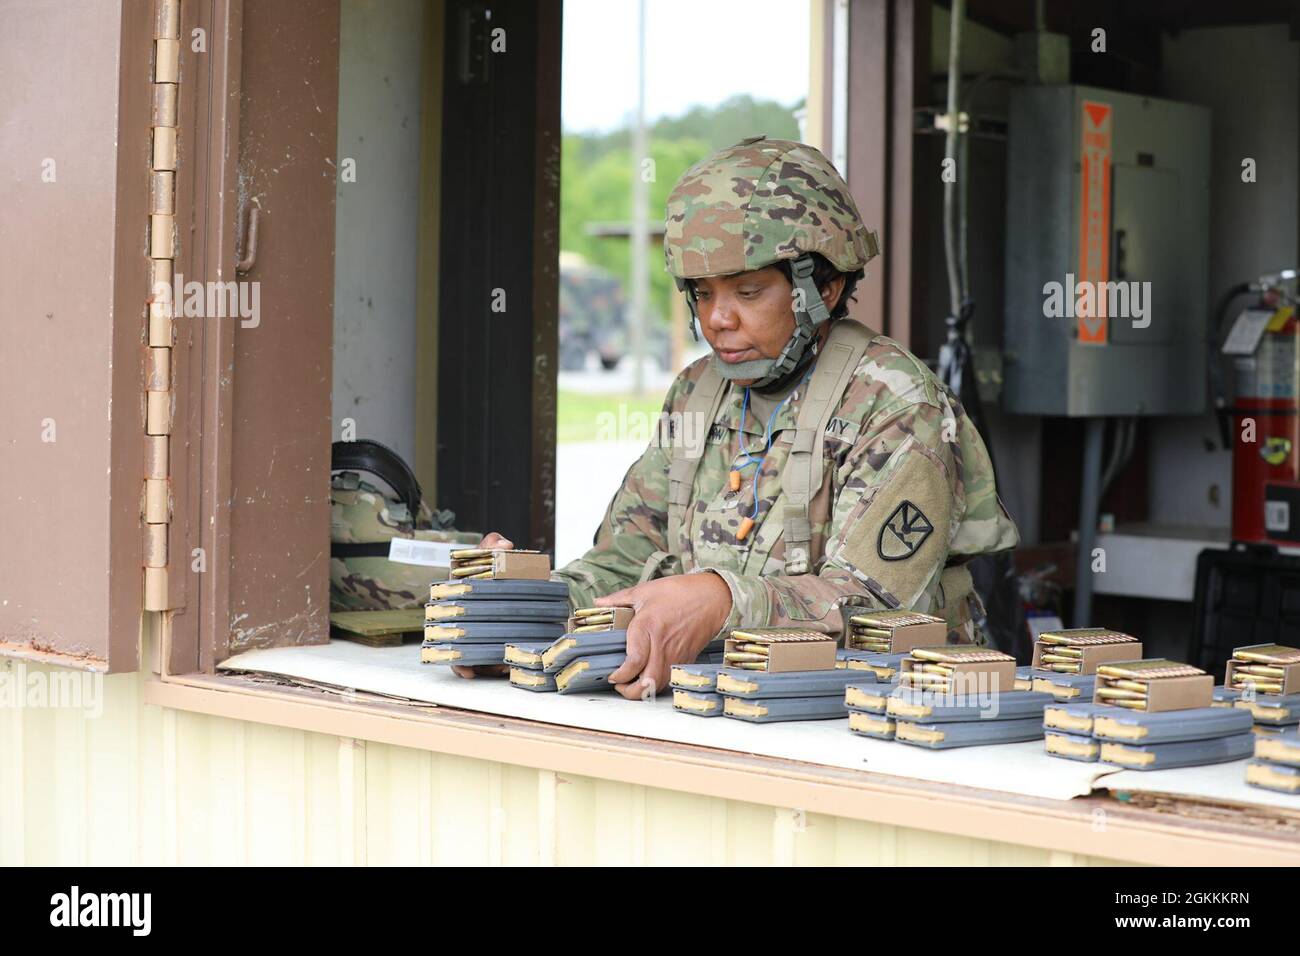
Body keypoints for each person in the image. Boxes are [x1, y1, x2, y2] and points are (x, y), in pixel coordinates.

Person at [456, 136, 1018, 699]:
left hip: (884, 716)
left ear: (824, 286)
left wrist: (720, 600)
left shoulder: (895, 403)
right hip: (722, 709)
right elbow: (623, 562)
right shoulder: (698, 392)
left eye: (748, 291)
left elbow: (877, 607)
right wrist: (520, 605)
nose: (717, 319)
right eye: (701, 294)